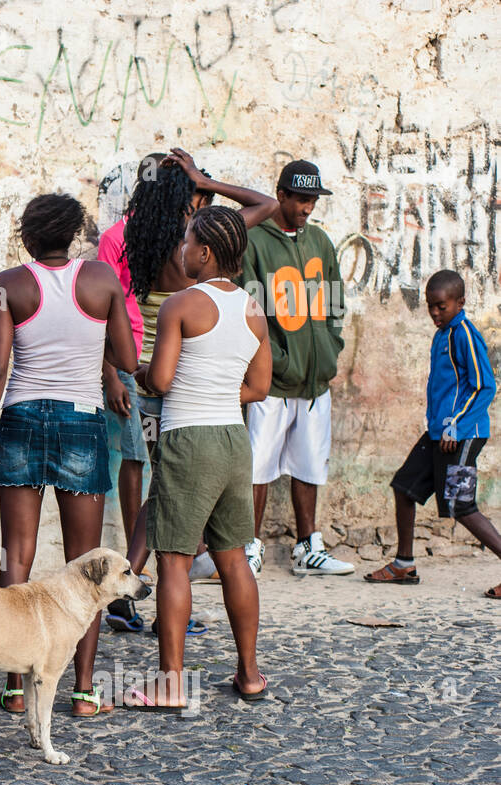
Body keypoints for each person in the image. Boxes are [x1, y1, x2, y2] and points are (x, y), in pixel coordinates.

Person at [0, 193, 137, 717]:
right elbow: (128, 358)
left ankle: (17, 687)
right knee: (86, 567)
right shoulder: (104, 280)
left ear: (26, 236)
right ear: (75, 234)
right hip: (82, 420)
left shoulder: (9, 285)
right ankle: (84, 692)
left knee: (15, 556)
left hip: (20, 418)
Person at [106, 149, 278, 635]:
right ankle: (159, 608)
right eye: (197, 194)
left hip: (158, 385)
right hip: (198, 391)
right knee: (178, 521)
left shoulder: (146, 241)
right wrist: (209, 181)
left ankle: (131, 578)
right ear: (191, 196)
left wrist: (126, 374)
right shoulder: (205, 251)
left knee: (165, 495)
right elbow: (264, 204)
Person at [126, 206, 270, 708]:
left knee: (174, 563)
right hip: (234, 441)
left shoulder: (181, 306)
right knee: (234, 560)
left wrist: (140, 373)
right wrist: (218, 390)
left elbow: (162, 381)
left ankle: (170, 684)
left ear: (204, 252)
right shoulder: (253, 309)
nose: (180, 250)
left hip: (189, 441)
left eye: (186, 241)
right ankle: (250, 674)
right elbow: (260, 385)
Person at [240, 159, 352, 577]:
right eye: (301, 198)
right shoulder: (255, 242)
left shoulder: (320, 242)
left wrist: (329, 349)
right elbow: (250, 307)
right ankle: (250, 547)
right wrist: (276, 361)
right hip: (271, 381)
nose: (307, 207)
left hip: (314, 380)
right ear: (280, 195)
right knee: (258, 466)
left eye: (313, 200)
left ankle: (309, 546)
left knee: (309, 464)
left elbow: (336, 301)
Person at [365, 269, 501, 594]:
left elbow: (485, 386)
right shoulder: (442, 335)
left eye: (441, 306)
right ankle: (403, 564)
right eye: (431, 306)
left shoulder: (464, 333)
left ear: (460, 303)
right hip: (440, 434)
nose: (435, 313)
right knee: (404, 487)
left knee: (461, 506)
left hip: (463, 435)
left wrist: (457, 424)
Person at [99, 154, 165, 552]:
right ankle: (132, 552)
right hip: (131, 363)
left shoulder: (177, 238)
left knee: (167, 460)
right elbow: (104, 311)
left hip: (171, 362)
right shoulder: (115, 238)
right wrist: (111, 374)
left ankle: (169, 548)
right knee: (135, 456)